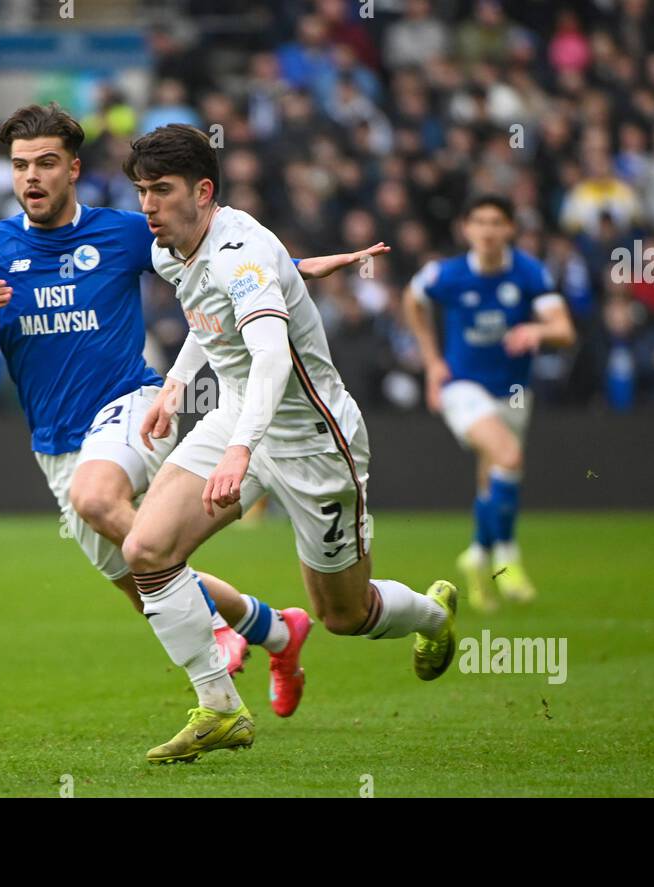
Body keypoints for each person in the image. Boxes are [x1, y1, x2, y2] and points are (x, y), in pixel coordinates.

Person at [0, 104, 385, 712]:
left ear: (73, 169)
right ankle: (274, 629)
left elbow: (214, 264)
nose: (31, 178)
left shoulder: (124, 231)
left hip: (129, 405)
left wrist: (294, 269)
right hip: (55, 442)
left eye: (45, 163)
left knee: (102, 505)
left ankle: (221, 671)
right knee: (144, 579)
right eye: (19, 166)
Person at [120, 124, 458, 764]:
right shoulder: (170, 249)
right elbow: (209, 318)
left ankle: (433, 616)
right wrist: (175, 386)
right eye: (141, 191)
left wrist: (243, 448)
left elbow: (272, 357)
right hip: (236, 419)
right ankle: (219, 709)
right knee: (146, 549)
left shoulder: (240, 251)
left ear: (204, 191)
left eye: (161, 191)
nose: (148, 207)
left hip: (312, 440)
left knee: (344, 615)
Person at [403, 195, 576, 612]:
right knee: (509, 455)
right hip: (462, 388)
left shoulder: (529, 272)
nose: (487, 230)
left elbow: (565, 331)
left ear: (510, 229)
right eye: (478, 221)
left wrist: (537, 331)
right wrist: (431, 362)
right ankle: (508, 556)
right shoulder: (446, 274)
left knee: (495, 476)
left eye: (496, 222)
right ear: (466, 229)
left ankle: (478, 557)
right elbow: (412, 301)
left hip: (514, 392)